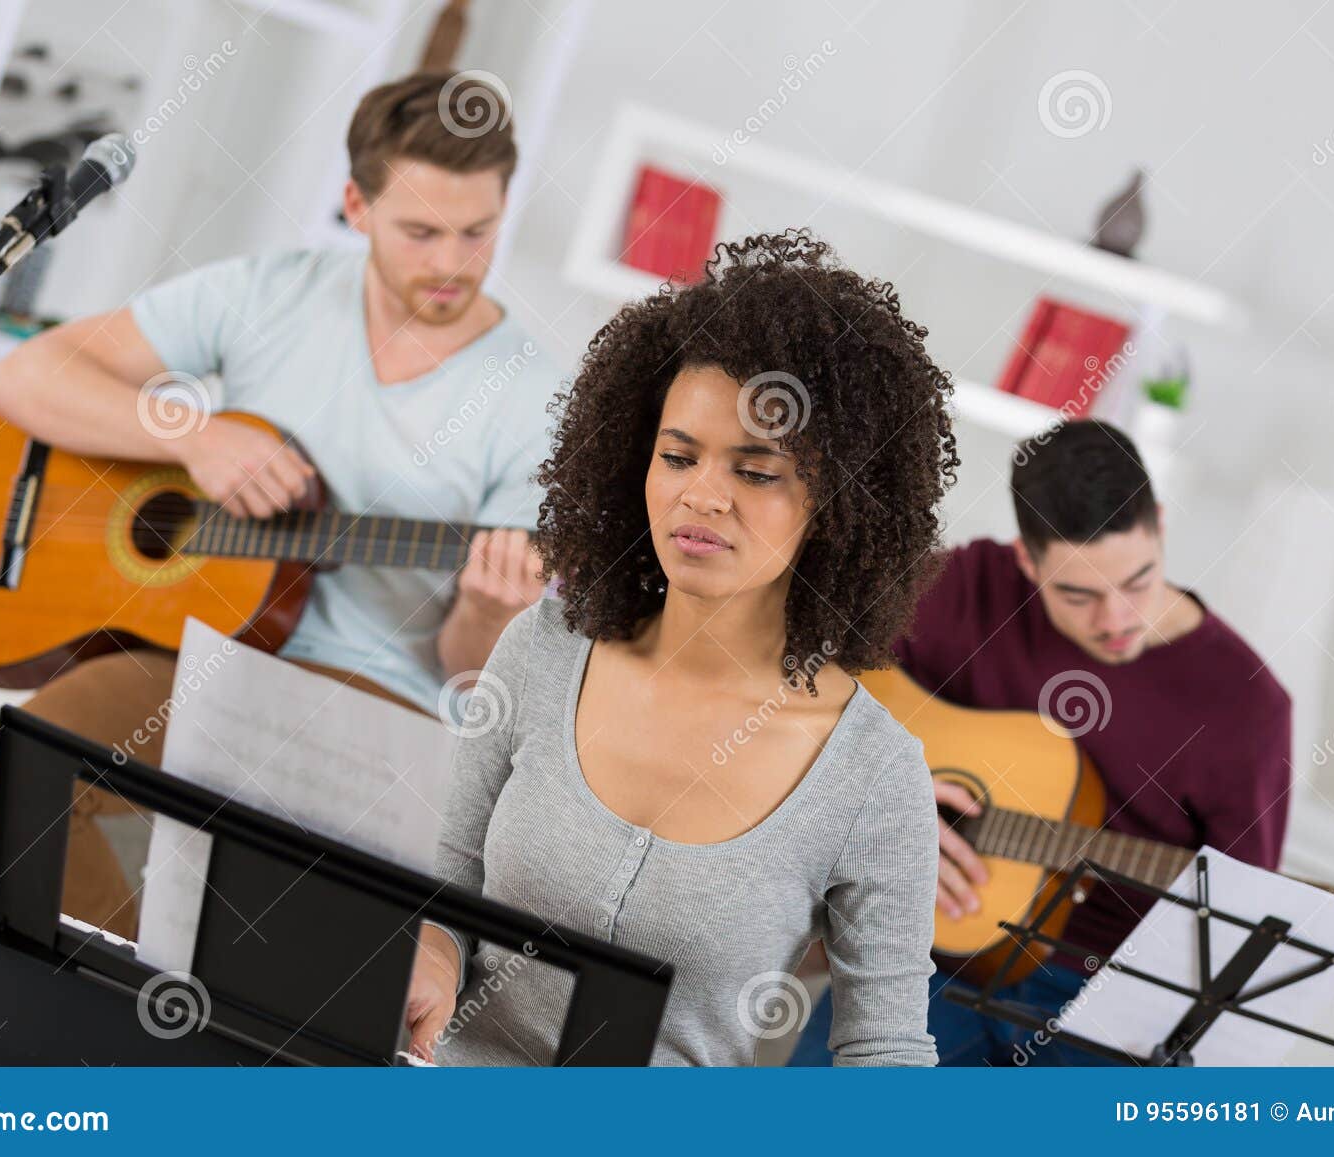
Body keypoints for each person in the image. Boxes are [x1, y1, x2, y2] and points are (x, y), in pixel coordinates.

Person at [0, 73, 559, 940]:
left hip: (379, 694)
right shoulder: (273, 291)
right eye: (421, 231)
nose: (451, 263)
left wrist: (490, 607)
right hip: (206, 647)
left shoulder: (538, 398)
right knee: (16, 770)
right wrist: (189, 437)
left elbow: (465, 663)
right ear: (356, 206)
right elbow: (22, 378)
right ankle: (124, 1029)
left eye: (478, 233)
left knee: (263, 928)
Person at [401, 230, 958, 1066]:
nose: (702, 496)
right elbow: (450, 881)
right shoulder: (543, 649)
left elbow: (883, 1047)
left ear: (841, 505)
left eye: (756, 471)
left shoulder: (875, 775)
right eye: (678, 455)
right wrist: (434, 959)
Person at [789, 418, 1293, 1066]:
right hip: (926, 959)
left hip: (1103, 1007)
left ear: (1161, 526)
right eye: (1077, 594)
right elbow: (789, 678)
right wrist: (876, 801)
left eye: (1138, 580)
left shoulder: (1248, 705)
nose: (1115, 621)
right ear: (1026, 559)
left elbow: (1233, 924)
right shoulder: (972, 586)